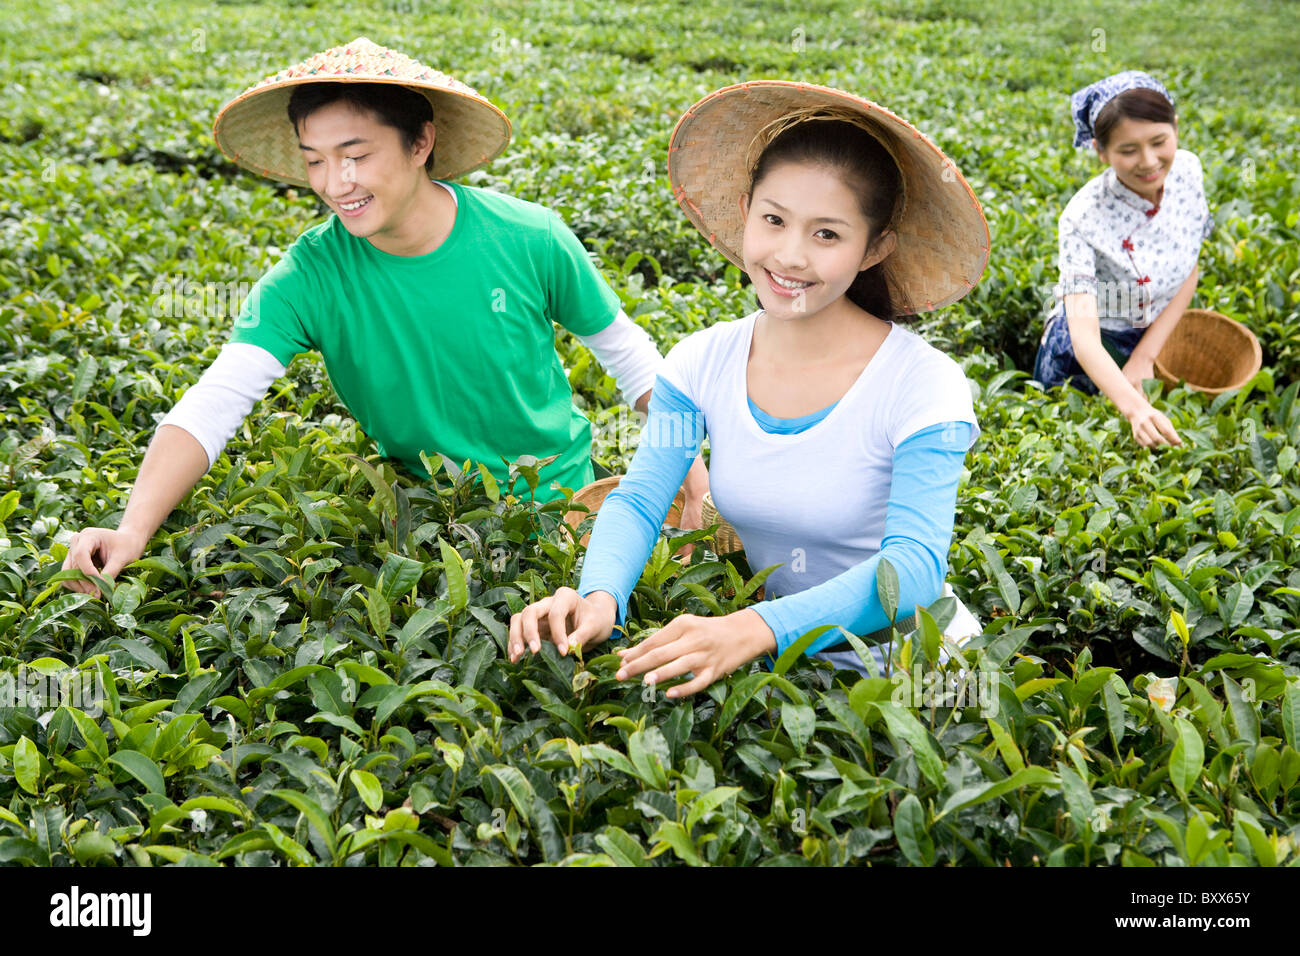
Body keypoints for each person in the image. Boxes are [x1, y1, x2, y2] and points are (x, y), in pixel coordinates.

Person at [59, 38, 707, 596]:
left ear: (420, 142)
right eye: (314, 159)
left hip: (563, 508)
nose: (335, 182)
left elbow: (630, 357)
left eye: (356, 154)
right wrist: (131, 528)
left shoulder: (531, 239)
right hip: (426, 520)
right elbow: (216, 400)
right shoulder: (309, 275)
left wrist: (684, 460)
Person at [508, 81, 990, 694]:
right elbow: (641, 497)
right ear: (744, 214)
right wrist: (599, 595)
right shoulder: (702, 363)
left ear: (875, 249)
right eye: (774, 220)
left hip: (916, 683)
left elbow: (914, 570)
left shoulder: (923, 386)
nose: (789, 256)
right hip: (782, 677)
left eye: (827, 235)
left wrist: (754, 626)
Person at [1032, 70, 1212, 448]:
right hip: (1091, 353)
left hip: (1155, 335)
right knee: (1068, 442)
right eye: (1128, 151)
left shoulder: (1189, 172)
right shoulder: (1083, 218)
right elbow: (1084, 337)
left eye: (1159, 141)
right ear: (1101, 151)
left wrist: (1146, 355)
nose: (1148, 162)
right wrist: (1135, 410)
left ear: (1175, 127)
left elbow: (1190, 266)